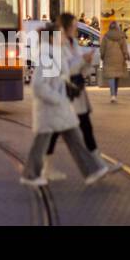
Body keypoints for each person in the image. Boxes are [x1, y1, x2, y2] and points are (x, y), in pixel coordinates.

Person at [22, 17, 110, 187]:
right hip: (51, 108)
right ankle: (31, 174)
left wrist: (84, 61)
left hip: (58, 107)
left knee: (73, 138)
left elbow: (65, 71)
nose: (64, 37)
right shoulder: (49, 55)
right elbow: (39, 85)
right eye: (61, 34)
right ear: (53, 37)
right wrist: (57, 98)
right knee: (46, 142)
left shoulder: (56, 53)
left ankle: (92, 170)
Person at [43, 13, 115, 179]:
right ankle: (47, 167)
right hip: (64, 93)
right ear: (66, 27)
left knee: (84, 127)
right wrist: (83, 60)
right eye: (74, 26)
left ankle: (99, 164)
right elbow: (65, 69)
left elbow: (80, 69)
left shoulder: (73, 43)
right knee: (57, 131)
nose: (76, 29)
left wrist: (86, 62)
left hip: (75, 92)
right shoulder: (57, 45)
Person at [100, 20, 129, 102]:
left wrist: (102, 56)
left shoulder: (106, 36)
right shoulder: (121, 36)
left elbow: (102, 48)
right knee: (116, 77)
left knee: (111, 76)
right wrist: (125, 56)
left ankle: (112, 95)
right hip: (119, 58)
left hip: (108, 58)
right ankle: (115, 94)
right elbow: (124, 48)